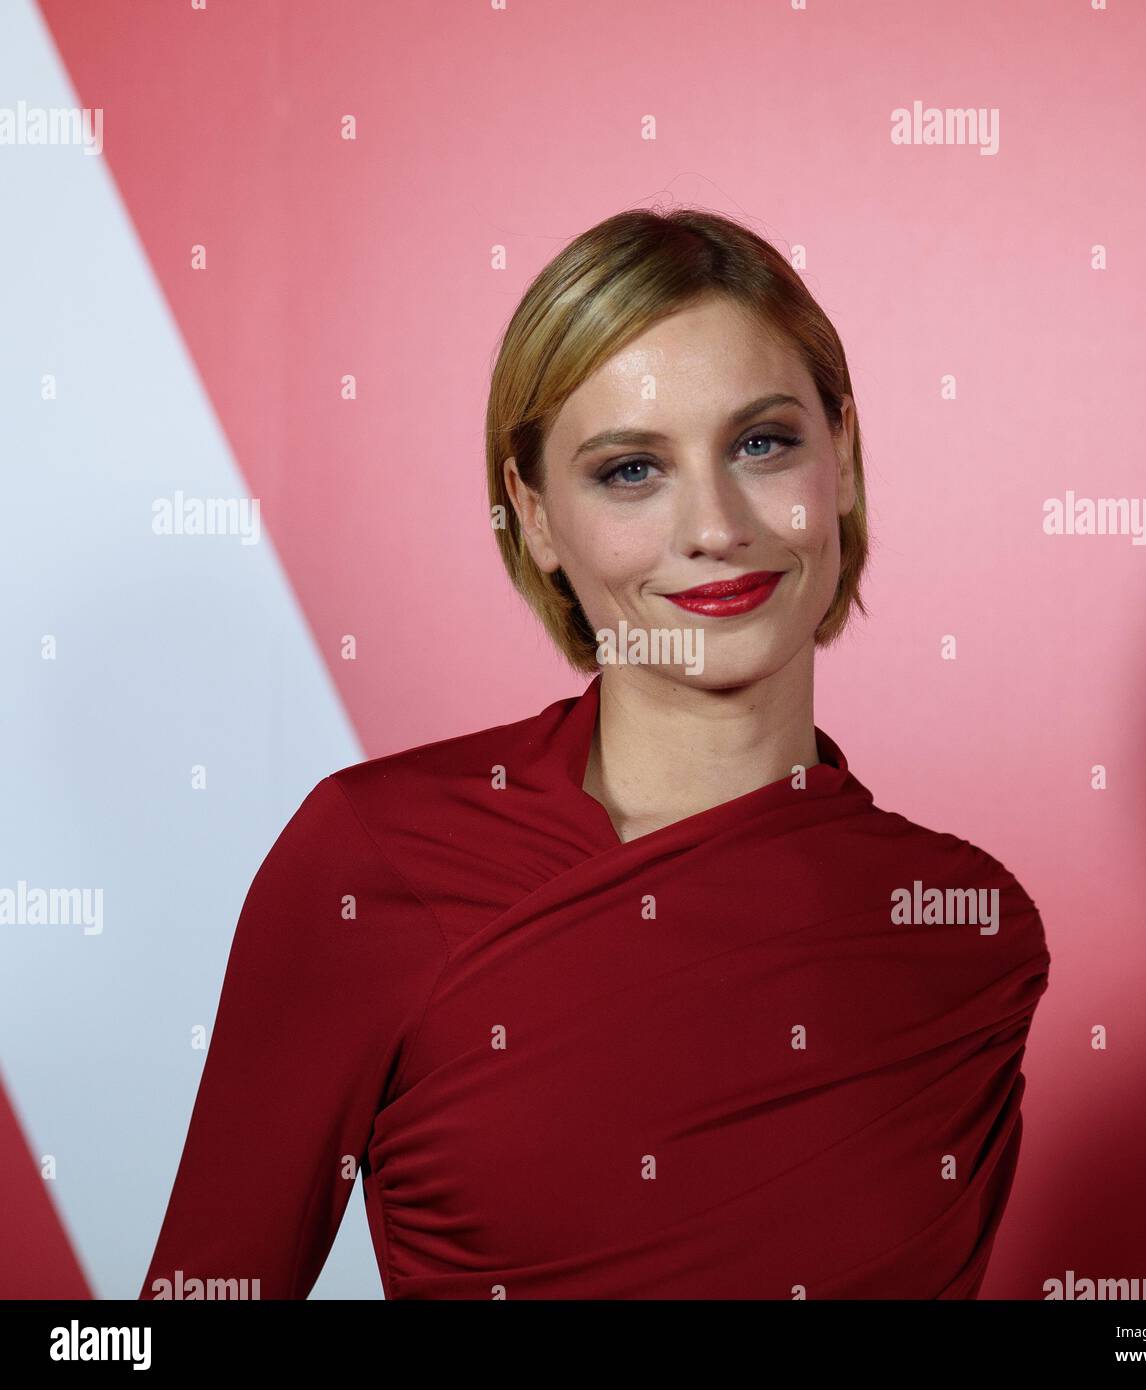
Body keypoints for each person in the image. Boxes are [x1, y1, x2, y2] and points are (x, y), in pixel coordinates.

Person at [139, 207, 1050, 1300]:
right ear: (531, 513)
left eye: (762, 443)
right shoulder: (375, 856)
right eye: (630, 469)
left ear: (841, 458)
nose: (714, 525)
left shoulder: (963, 927)